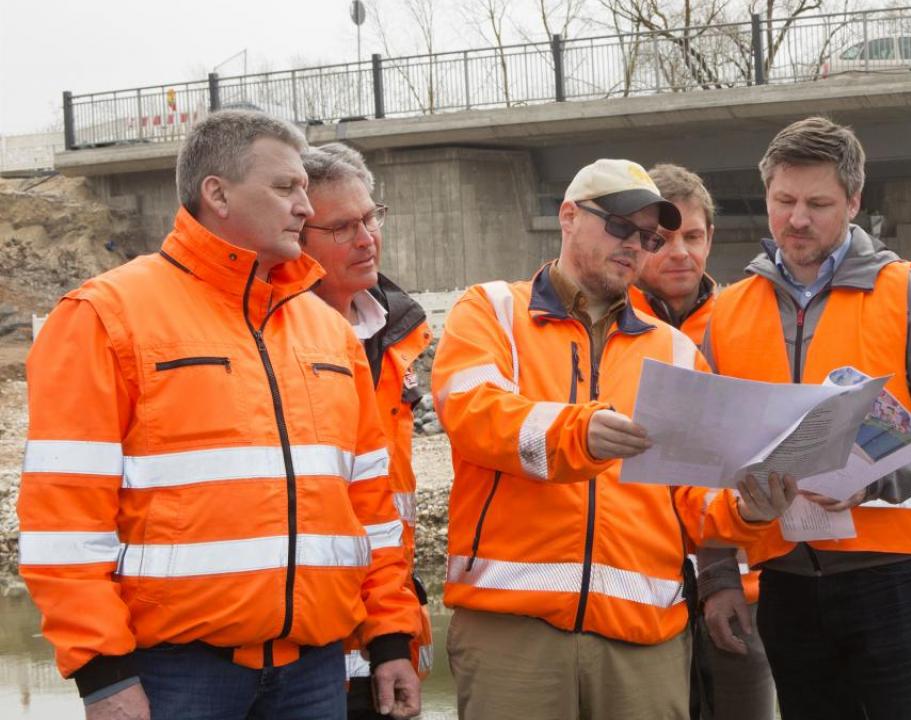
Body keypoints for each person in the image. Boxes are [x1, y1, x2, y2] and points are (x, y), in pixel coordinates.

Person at [18, 110, 421, 720]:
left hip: (314, 672)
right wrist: (102, 674)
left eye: (305, 191)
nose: (305, 208)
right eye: (286, 188)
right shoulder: (106, 317)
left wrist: (391, 635)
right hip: (172, 676)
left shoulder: (327, 333)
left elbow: (371, 506)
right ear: (217, 193)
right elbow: (64, 516)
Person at [430, 158, 798, 720]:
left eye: (648, 236)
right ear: (569, 216)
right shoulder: (492, 310)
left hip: (644, 638)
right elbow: (474, 414)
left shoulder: (675, 351)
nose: (637, 246)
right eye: (621, 227)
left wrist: (747, 512)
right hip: (513, 633)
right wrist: (575, 433)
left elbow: (692, 504)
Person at [697, 116, 911, 719]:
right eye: (784, 200)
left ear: (854, 201)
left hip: (895, 577)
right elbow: (707, 457)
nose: (797, 219)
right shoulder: (726, 312)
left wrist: (876, 476)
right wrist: (720, 574)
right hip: (786, 582)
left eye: (818, 203)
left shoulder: (907, 291)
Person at [628, 163, 775, 720]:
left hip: (742, 585)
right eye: (660, 240)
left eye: (693, 236)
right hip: (642, 585)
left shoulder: (745, 322)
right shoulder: (610, 330)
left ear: (711, 238)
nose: (679, 252)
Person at [300, 143, 434, 719]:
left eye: (370, 218)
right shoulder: (266, 337)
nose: (366, 239)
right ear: (294, 236)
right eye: (342, 227)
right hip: (302, 651)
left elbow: (385, 502)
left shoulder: (397, 330)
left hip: (385, 634)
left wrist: (394, 631)